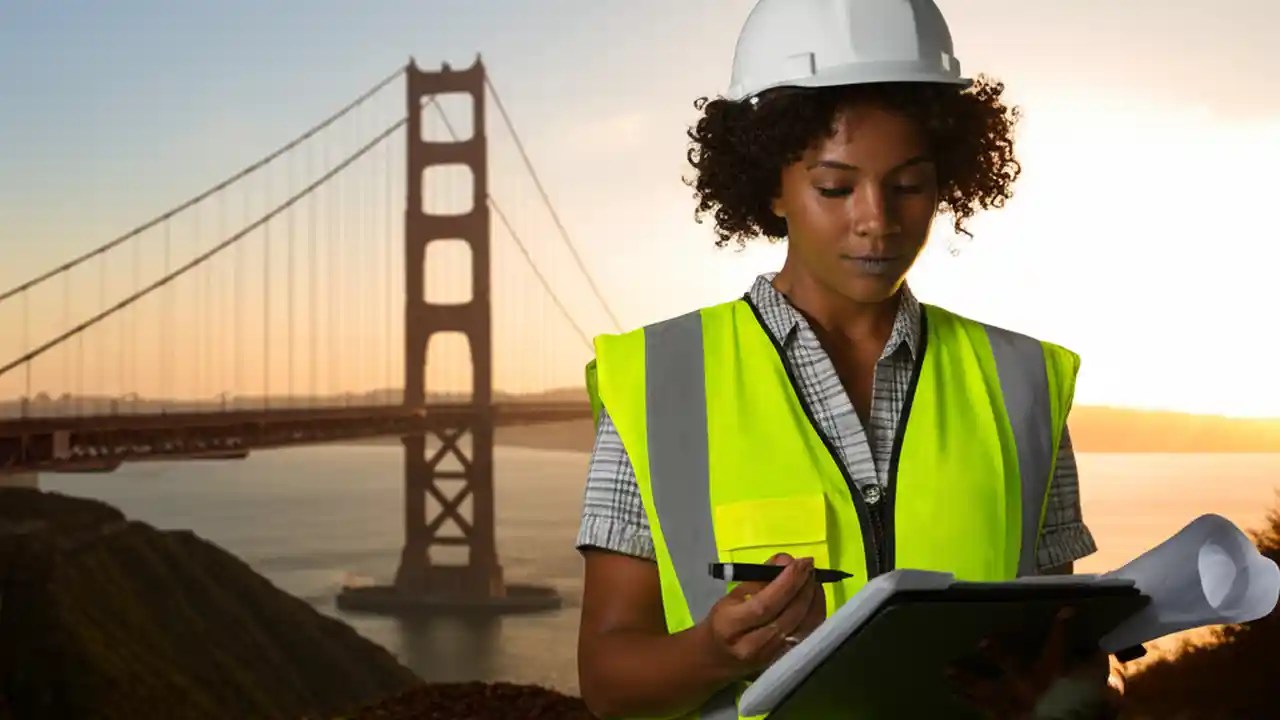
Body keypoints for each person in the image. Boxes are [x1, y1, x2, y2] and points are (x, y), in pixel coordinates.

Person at [575, 0, 1121, 717]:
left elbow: (1070, 656)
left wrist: (1066, 693)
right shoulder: (657, 380)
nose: (877, 220)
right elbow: (609, 683)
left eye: (910, 185)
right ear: (771, 185)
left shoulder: (1023, 382)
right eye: (835, 187)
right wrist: (713, 652)